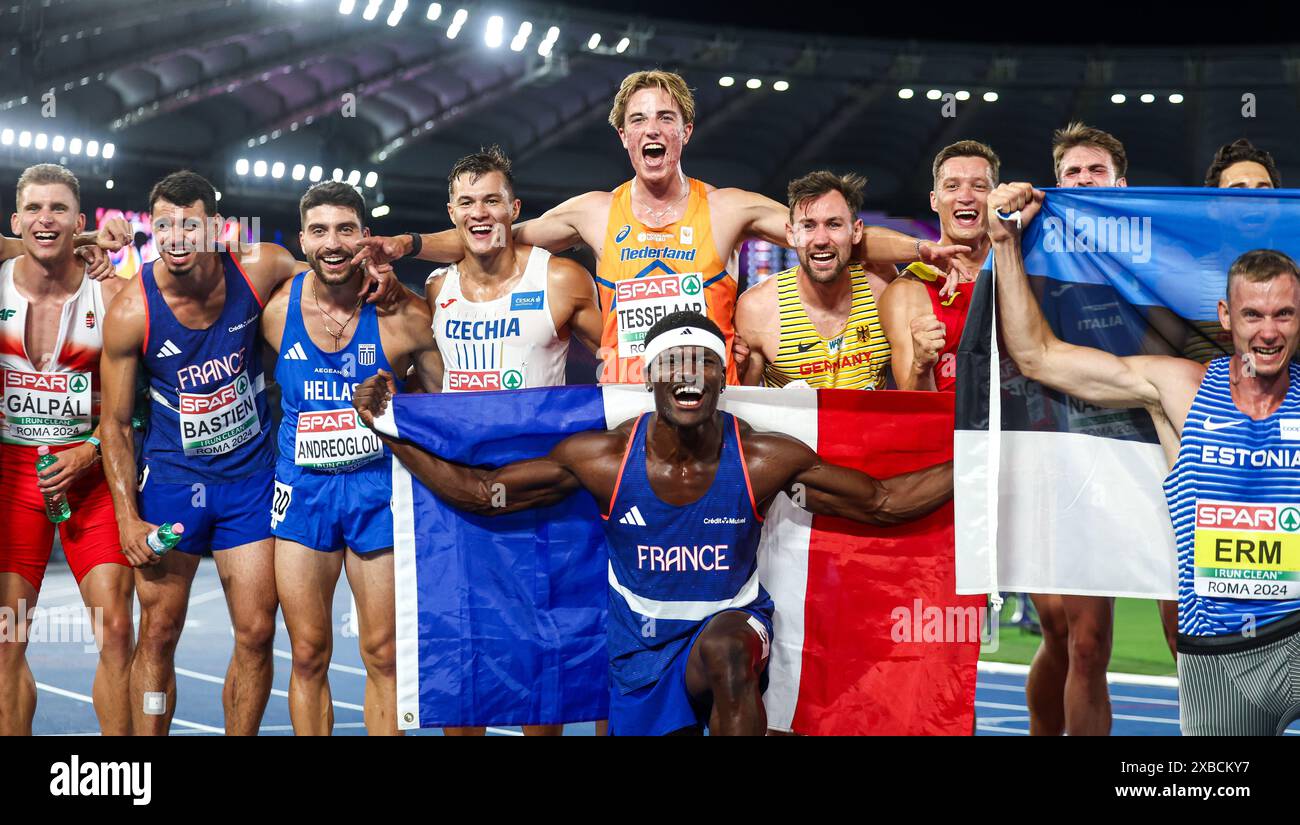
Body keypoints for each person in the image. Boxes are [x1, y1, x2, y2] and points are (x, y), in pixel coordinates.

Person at [351, 310, 954, 735]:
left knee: (725, 650)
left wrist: (976, 461)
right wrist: (391, 432)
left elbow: (881, 501)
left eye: (703, 363)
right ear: (651, 377)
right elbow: (487, 495)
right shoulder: (605, 460)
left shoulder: (764, 459)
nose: (689, 374)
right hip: (638, 648)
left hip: (731, 627)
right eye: (675, 363)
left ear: (722, 377)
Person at [351, 70, 970, 385]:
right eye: (639, 119)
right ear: (623, 136)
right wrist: (407, 244)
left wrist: (925, 248)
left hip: (711, 400)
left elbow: (828, 238)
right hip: (625, 407)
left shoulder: (726, 207)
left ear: (685, 133)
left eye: (666, 117)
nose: (653, 129)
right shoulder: (593, 212)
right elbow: (489, 234)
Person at [990, 180, 1300, 735]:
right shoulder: (1179, 389)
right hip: (1215, 659)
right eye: (1254, 315)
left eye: (1284, 314)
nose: (1269, 332)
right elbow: (1038, 356)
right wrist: (1007, 246)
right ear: (1226, 316)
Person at [99, 170, 399, 735]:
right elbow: (113, 424)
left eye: (191, 223)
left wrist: (383, 275)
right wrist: (126, 515)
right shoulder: (130, 310)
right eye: (163, 225)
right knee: (158, 632)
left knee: (258, 632)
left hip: (251, 481)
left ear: (217, 228)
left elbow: (329, 271)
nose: (177, 237)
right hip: (170, 479)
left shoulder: (261, 266)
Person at [262, 181, 439, 736]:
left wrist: (401, 397)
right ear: (302, 241)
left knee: (383, 653)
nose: (332, 243)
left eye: (345, 229)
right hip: (301, 494)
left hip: (378, 493)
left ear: (366, 238)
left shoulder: (404, 316)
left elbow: (445, 407)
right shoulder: (275, 312)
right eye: (319, 231)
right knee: (309, 652)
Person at [0, 165, 133, 735]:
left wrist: (93, 450)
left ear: (79, 219)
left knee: (117, 633)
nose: (44, 219)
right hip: (12, 480)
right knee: (6, 644)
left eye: (58, 210)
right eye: (33, 209)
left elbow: (138, 407)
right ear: (15, 219)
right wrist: (82, 240)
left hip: (93, 480)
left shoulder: (112, 294)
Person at [734, 170, 891, 389]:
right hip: (788, 425)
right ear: (790, 234)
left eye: (834, 224)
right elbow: (744, 411)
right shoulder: (757, 308)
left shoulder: (883, 288)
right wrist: (735, 371)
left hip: (873, 424)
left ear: (856, 232)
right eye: (808, 226)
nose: (820, 240)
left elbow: (915, 395)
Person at [880, 140, 1001, 391]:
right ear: (934, 200)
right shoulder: (907, 291)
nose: (966, 197)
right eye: (952, 186)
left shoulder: (1023, 271)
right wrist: (920, 365)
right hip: (952, 429)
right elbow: (916, 406)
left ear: (996, 197)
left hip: (1027, 429)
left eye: (979, 186)